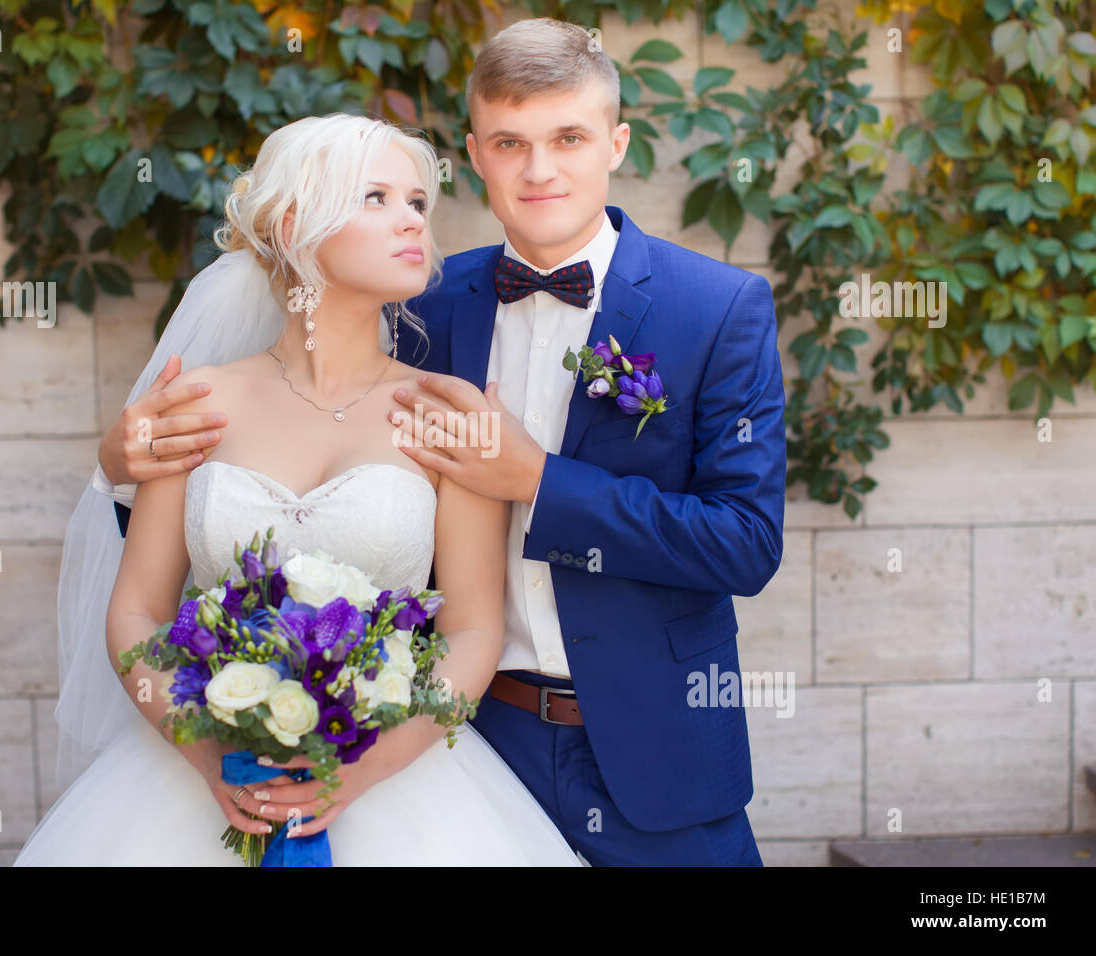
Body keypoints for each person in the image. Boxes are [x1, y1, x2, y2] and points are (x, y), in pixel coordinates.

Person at [94, 17, 786, 866]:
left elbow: (746, 545)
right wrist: (115, 470)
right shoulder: (420, 302)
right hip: (468, 747)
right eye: (509, 142)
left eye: (568, 137)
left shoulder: (716, 309)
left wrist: (535, 476)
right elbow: (197, 542)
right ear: (476, 151)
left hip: (657, 754)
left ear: (616, 142)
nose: (539, 169)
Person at [15, 112, 582, 865]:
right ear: (291, 226)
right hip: (193, 787)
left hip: (402, 788)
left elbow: (474, 631)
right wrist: (207, 752)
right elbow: (138, 610)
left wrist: (357, 773)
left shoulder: (443, 409)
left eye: (417, 201)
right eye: (375, 198)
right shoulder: (199, 403)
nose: (413, 220)